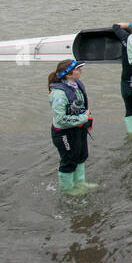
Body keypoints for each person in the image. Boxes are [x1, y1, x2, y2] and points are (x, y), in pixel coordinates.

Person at [48, 58, 95, 195]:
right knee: (69, 160)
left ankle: (80, 183)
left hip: (78, 128)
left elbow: (83, 107)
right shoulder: (59, 94)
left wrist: (88, 121)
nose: (80, 70)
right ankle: (68, 190)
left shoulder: (76, 84)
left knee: (81, 155)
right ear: (68, 75)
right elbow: (61, 119)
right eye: (77, 69)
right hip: (64, 133)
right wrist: (82, 118)